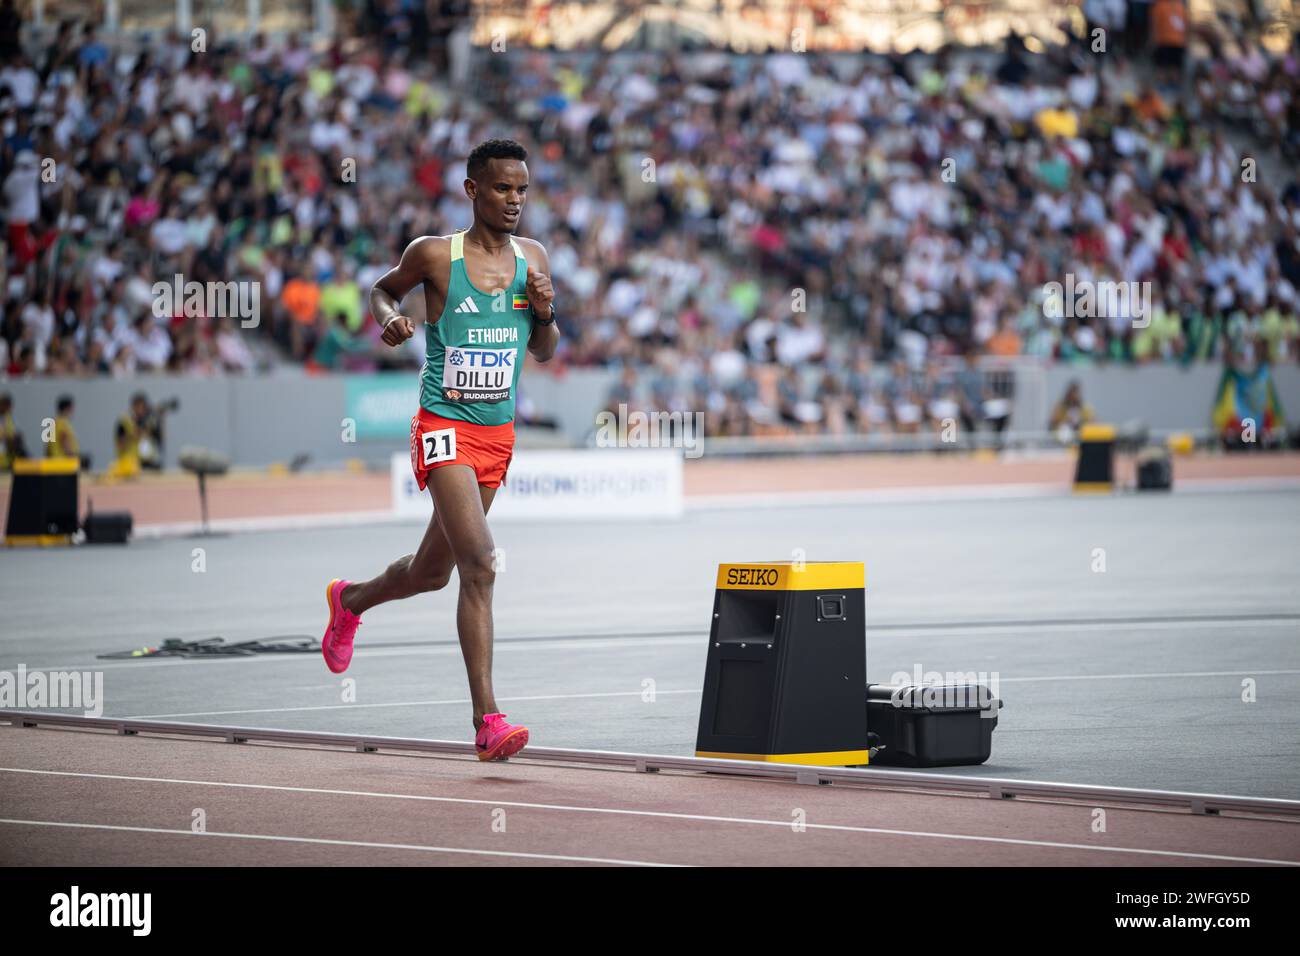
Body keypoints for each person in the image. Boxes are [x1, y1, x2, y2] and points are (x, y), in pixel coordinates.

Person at [320, 139, 559, 762]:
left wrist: (545, 312)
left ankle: (349, 601)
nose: (515, 200)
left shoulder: (533, 257)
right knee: (480, 563)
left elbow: (544, 350)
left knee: (432, 573)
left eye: (523, 190)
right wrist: (390, 319)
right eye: (504, 188)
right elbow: (381, 290)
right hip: (444, 424)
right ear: (473, 190)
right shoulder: (432, 255)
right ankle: (487, 720)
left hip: (497, 435)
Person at [44, 394, 81, 462]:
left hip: (54, 463)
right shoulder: (62, 423)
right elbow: (64, 440)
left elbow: (48, 448)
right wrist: (74, 457)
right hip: (64, 464)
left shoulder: (53, 423)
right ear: (68, 408)